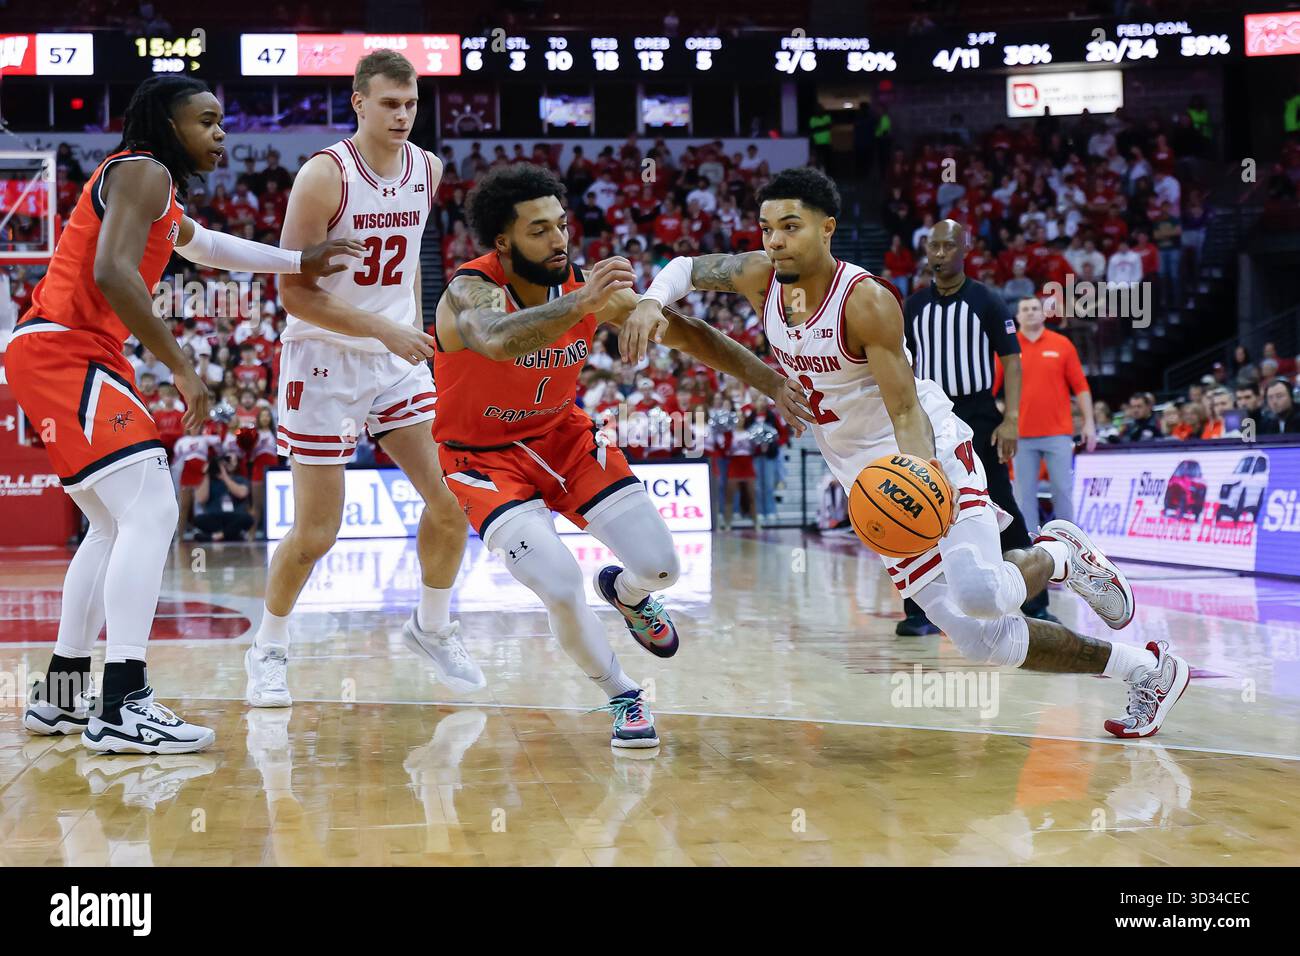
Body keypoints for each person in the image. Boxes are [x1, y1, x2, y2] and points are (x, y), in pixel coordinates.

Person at [629, 166, 1189, 740]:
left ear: (828, 229)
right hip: (862, 475)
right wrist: (651, 301)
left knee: (978, 594)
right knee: (985, 641)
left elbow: (904, 413)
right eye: (767, 227)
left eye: (790, 226)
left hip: (925, 452)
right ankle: (1149, 670)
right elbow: (686, 270)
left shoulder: (866, 301)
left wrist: (924, 486)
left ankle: (1061, 554)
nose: (774, 240)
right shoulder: (758, 274)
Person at [7, 74, 358, 754]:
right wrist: (182, 363)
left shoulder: (153, 192)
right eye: (206, 120)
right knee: (153, 510)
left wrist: (298, 259)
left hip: (59, 351)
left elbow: (208, 248)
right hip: (66, 348)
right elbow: (113, 272)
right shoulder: (141, 170)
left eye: (221, 121)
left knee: (111, 525)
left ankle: (59, 698)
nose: (220, 133)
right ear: (166, 126)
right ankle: (124, 701)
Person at [433, 163, 813, 748]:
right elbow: (499, 338)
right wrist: (583, 301)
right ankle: (622, 695)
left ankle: (629, 592)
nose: (559, 239)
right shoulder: (469, 288)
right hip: (481, 460)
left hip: (565, 439)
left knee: (665, 567)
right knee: (558, 583)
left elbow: (686, 333)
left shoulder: (587, 287)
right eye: (540, 231)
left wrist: (770, 381)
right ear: (504, 242)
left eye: (561, 225)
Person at [248, 51, 483, 709]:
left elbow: (407, 263)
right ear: (358, 102)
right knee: (318, 534)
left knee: (452, 502)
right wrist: (381, 328)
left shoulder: (428, 169)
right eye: (389, 104)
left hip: (392, 359)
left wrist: (403, 327)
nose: (402, 116)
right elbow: (294, 293)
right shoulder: (324, 176)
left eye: (410, 104)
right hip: (321, 361)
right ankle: (268, 648)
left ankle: (431, 628)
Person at [898, 219, 1053, 635]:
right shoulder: (912, 306)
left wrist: (1012, 418)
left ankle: (1036, 600)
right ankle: (918, 612)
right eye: (934, 246)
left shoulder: (986, 299)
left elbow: (1012, 361)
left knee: (1000, 500)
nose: (940, 254)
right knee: (917, 504)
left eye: (949, 246)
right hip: (928, 415)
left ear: (965, 250)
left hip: (979, 412)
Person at [1000, 296, 1094, 528]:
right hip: (1020, 435)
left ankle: (1068, 543)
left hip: (1058, 433)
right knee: (1023, 496)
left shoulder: (1062, 344)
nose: (1031, 312)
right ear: (1018, 316)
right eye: (1025, 309)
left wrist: (1089, 423)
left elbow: (1081, 386)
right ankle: (1030, 548)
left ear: (1043, 314)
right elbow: (989, 387)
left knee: (1062, 491)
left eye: (1035, 308)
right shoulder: (1007, 347)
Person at [194, 450, 255, 541]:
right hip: (215, 516)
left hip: (234, 516)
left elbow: (242, 493)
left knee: (247, 519)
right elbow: (201, 499)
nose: (228, 464)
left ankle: (215, 536)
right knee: (198, 519)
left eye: (231, 461)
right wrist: (207, 473)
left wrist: (225, 476)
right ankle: (229, 534)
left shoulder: (240, 479)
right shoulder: (209, 481)